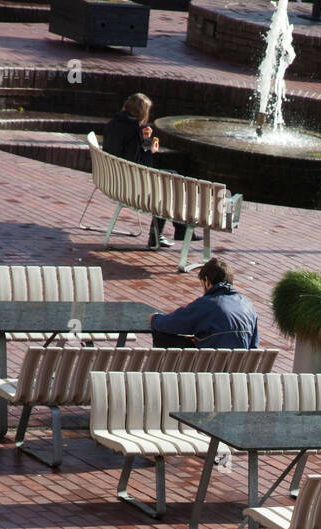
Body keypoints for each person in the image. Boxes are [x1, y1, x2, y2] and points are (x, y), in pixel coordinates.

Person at [102, 93, 192, 252]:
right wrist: (151, 151)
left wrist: (141, 139)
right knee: (169, 181)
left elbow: (125, 151)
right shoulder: (132, 129)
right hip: (130, 186)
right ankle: (172, 231)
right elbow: (139, 164)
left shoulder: (113, 123)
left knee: (170, 176)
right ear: (142, 112)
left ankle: (175, 230)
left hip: (114, 179)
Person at [150, 257, 259, 348]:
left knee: (162, 336)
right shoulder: (247, 305)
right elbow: (253, 345)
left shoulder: (207, 304)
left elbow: (172, 323)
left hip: (210, 367)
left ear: (207, 281)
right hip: (239, 369)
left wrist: (154, 319)